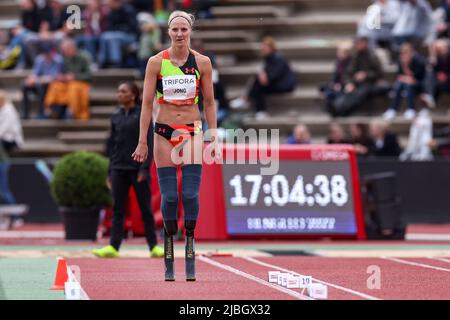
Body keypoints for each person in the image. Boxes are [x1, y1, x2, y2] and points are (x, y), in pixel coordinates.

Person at [131, 10, 218, 281]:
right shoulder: (156, 63)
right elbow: (146, 104)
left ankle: (189, 238)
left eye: (184, 29)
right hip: (164, 133)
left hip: (191, 131)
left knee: (190, 195)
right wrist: (141, 140)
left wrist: (213, 133)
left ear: (190, 31)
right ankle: (168, 243)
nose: (180, 34)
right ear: (167, 32)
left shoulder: (202, 62)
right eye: (175, 29)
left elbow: (209, 102)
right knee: (169, 197)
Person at [93, 81, 164, 259]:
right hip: (118, 168)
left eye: (123, 91)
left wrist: (145, 169)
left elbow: (149, 141)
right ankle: (113, 247)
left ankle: (153, 246)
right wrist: (110, 171)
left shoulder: (143, 114)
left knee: (145, 209)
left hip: (137, 169)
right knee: (118, 209)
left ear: (133, 95)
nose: (119, 94)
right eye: (118, 91)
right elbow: (112, 145)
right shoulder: (115, 115)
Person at [230, 36, 296, 119]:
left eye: (265, 47)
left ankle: (252, 104)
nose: (263, 49)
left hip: (284, 85)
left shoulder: (277, 58)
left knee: (258, 83)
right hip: (277, 83)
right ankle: (249, 102)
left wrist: (263, 75)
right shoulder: (269, 59)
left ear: (271, 47)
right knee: (257, 83)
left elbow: (272, 76)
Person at [332, 36, 383, 117]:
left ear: (365, 44)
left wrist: (366, 75)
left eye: (359, 43)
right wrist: (349, 82)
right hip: (356, 83)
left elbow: (379, 73)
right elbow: (348, 72)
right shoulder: (355, 56)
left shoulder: (372, 56)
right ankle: (338, 108)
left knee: (360, 93)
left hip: (370, 83)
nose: (357, 45)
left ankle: (345, 111)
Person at [44, 39, 92, 119]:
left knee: (74, 87)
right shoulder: (65, 58)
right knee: (55, 85)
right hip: (67, 83)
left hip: (81, 83)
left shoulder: (84, 57)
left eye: (65, 50)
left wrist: (75, 76)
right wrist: (62, 77)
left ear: (72, 48)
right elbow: (63, 73)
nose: (64, 53)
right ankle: (52, 109)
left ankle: (72, 111)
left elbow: (89, 75)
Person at [383, 43, 426, 120]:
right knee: (398, 85)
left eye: (406, 52)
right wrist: (404, 69)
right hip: (405, 82)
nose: (404, 55)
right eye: (402, 53)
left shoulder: (418, 61)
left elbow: (415, 78)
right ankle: (392, 109)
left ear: (411, 52)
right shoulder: (400, 60)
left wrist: (405, 66)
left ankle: (411, 109)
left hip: (420, 84)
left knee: (409, 86)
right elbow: (399, 76)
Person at [21, 43, 63, 119]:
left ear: (52, 52)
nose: (46, 56)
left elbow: (55, 76)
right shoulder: (40, 59)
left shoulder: (58, 60)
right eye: (45, 54)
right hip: (39, 83)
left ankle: (41, 113)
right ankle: (25, 113)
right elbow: (35, 73)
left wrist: (40, 79)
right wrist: (31, 79)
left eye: (48, 53)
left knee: (40, 86)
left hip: (52, 86)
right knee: (24, 84)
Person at [98, 0, 139, 68]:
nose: (109, 5)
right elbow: (110, 28)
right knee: (104, 36)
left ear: (117, 2)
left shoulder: (128, 10)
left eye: (111, 3)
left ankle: (116, 62)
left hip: (130, 36)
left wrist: (119, 30)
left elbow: (133, 28)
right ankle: (102, 61)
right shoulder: (112, 12)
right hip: (116, 35)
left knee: (113, 37)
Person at [0, 90, 24, 205]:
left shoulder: (9, 110)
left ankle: (14, 215)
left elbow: (3, 130)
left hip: (11, 141)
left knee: (3, 190)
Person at [320, 41, 352, 117]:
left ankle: (335, 109)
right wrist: (333, 83)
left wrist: (341, 85)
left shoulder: (351, 62)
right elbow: (335, 75)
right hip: (337, 84)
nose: (340, 54)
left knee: (338, 93)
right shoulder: (338, 62)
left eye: (342, 52)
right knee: (323, 87)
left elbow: (348, 76)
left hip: (346, 84)